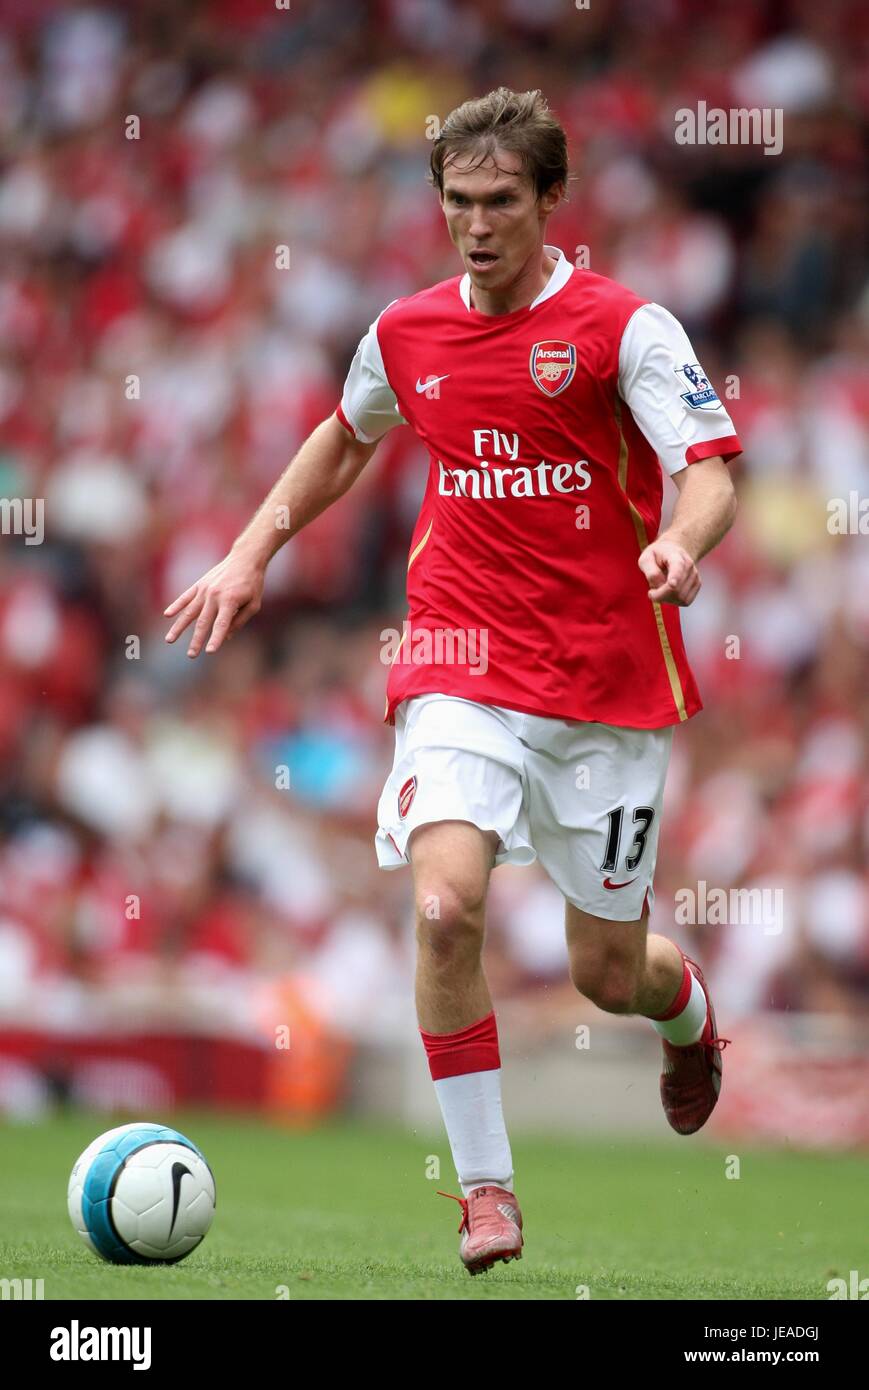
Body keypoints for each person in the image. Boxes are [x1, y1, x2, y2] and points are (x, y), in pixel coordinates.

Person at [165, 87, 739, 1277]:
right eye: (458, 202)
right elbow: (343, 433)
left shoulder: (625, 329)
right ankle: (485, 1192)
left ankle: (685, 1018)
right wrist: (249, 547)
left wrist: (681, 546)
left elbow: (708, 470)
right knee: (443, 907)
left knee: (602, 969)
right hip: (457, 662)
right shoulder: (406, 333)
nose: (477, 225)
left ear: (549, 203)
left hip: (602, 684)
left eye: (501, 202)